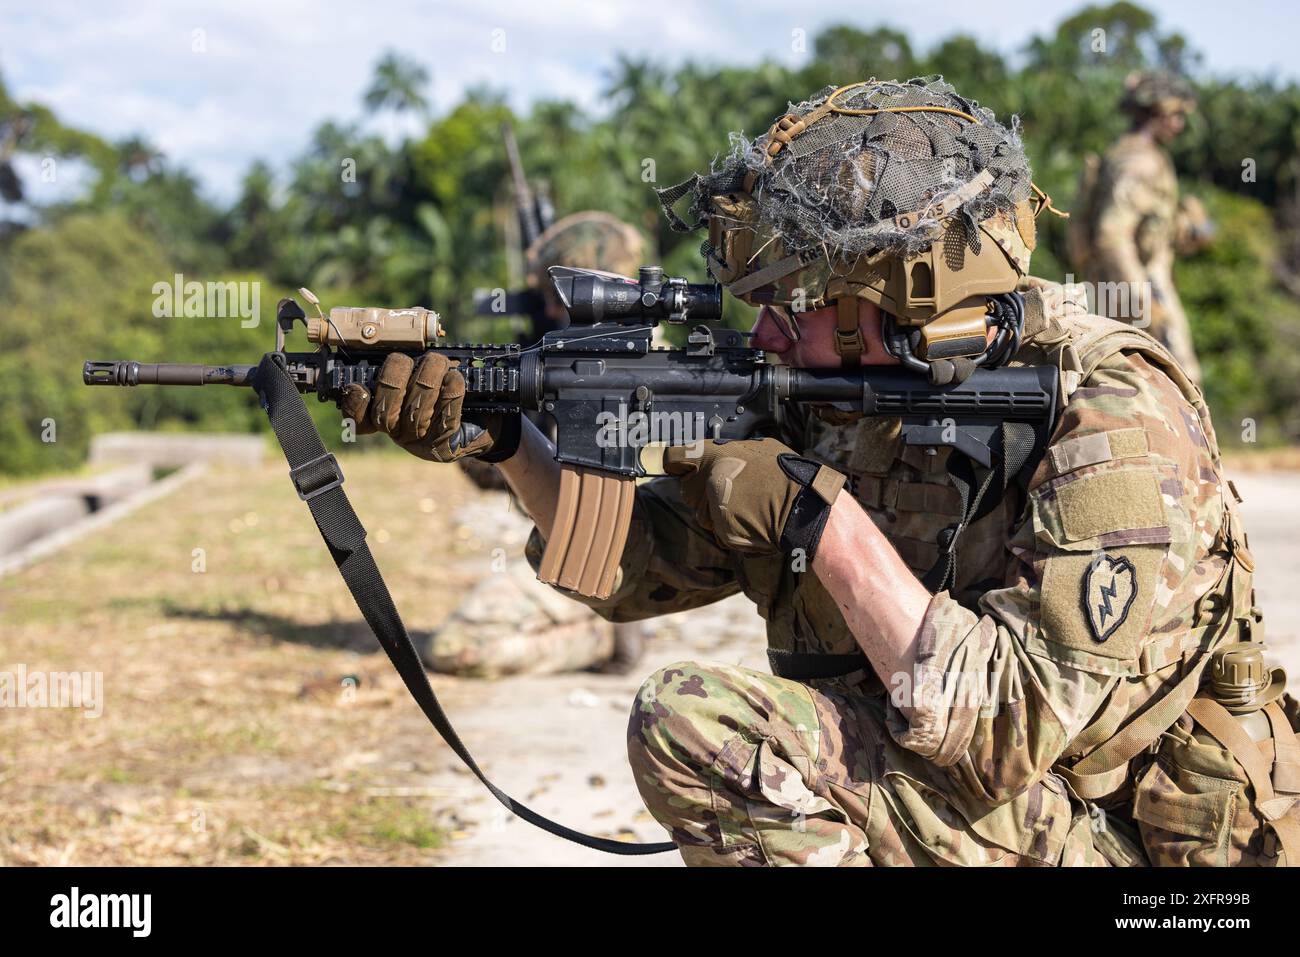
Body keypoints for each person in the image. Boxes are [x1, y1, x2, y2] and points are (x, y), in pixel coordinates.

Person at [338, 78, 1275, 865]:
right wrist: (503, 439)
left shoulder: (1107, 407)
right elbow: (628, 565)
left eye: (792, 301)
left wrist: (818, 523)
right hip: (978, 805)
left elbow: (1004, 729)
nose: (767, 330)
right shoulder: (829, 388)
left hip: (1129, 844)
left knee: (698, 722)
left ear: (895, 298)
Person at [426, 211, 650, 677]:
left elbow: (503, 480)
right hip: (610, 571)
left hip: (615, 580)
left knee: (459, 646)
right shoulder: (618, 354)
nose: (549, 310)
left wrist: (474, 436)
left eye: (559, 298)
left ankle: (600, 633)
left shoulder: (608, 373)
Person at [1068, 71, 1213, 384]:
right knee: (1179, 381)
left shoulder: (1134, 155)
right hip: (1138, 291)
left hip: (1120, 291)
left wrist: (1189, 228)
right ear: (1156, 112)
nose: (1180, 125)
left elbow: (1148, 231)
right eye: (1176, 115)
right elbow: (1112, 236)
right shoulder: (1139, 162)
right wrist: (1145, 303)